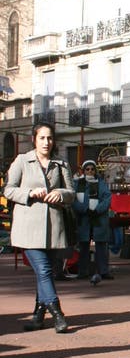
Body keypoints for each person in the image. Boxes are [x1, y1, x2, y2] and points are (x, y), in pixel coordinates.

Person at [4, 121, 75, 333]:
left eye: (50, 138)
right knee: (43, 270)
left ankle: (37, 316)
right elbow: (8, 189)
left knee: (47, 274)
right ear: (33, 139)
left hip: (54, 228)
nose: (46, 142)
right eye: (42, 137)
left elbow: (72, 193)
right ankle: (58, 314)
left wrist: (61, 193)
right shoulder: (22, 161)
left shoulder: (61, 164)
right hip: (28, 228)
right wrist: (28, 194)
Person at [73, 160, 114, 282]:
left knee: (101, 246)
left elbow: (107, 198)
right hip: (83, 219)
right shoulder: (77, 183)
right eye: (87, 169)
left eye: (92, 169)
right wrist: (84, 209)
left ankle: (103, 271)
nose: (90, 171)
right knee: (83, 246)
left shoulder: (101, 183)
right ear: (84, 171)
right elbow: (73, 199)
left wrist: (97, 210)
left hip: (98, 218)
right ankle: (83, 271)